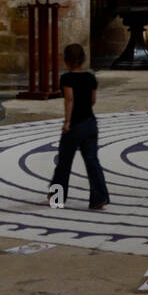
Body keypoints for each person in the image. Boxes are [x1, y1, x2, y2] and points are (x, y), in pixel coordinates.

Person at [49, 43, 109, 210]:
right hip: (90, 123)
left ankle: (57, 198)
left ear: (66, 60)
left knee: (64, 163)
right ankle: (99, 197)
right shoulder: (90, 77)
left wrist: (67, 122)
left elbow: (69, 100)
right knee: (92, 161)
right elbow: (92, 100)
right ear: (83, 59)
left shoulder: (66, 79)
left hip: (75, 125)